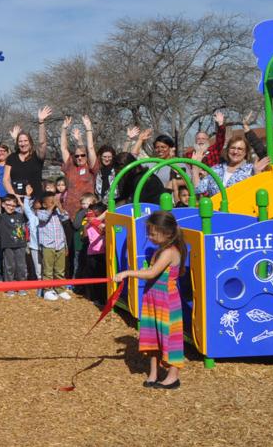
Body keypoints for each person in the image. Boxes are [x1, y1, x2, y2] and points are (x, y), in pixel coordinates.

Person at [114, 211, 187, 389]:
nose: (150, 237)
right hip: (153, 298)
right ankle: (153, 373)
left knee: (170, 338)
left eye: (153, 234)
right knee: (153, 336)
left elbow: (152, 273)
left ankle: (173, 377)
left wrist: (127, 273)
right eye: (149, 233)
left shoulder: (170, 252)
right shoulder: (159, 250)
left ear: (167, 233)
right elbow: (152, 272)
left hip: (167, 301)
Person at [3, 107, 51, 197]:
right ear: (17, 143)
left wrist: (41, 122)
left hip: (35, 199)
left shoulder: (37, 156)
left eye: (25, 141)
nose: (23, 144)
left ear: (30, 142)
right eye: (20, 141)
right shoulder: (11, 158)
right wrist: (13, 195)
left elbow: (42, 143)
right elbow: (6, 179)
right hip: (17, 199)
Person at [34, 191, 71, 301]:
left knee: (60, 269)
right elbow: (44, 218)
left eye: (55, 201)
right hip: (48, 245)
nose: (54, 203)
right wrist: (53, 206)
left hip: (60, 244)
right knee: (48, 270)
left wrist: (59, 206)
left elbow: (66, 217)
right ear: (44, 204)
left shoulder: (57, 213)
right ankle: (47, 290)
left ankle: (60, 289)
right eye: (51, 202)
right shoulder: (40, 212)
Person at [58, 116, 97, 218]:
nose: (79, 157)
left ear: (86, 156)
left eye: (82, 155)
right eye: (77, 156)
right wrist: (64, 129)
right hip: (69, 211)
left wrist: (88, 129)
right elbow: (63, 148)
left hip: (87, 211)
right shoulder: (71, 166)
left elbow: (90, 148)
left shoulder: (91, 167)